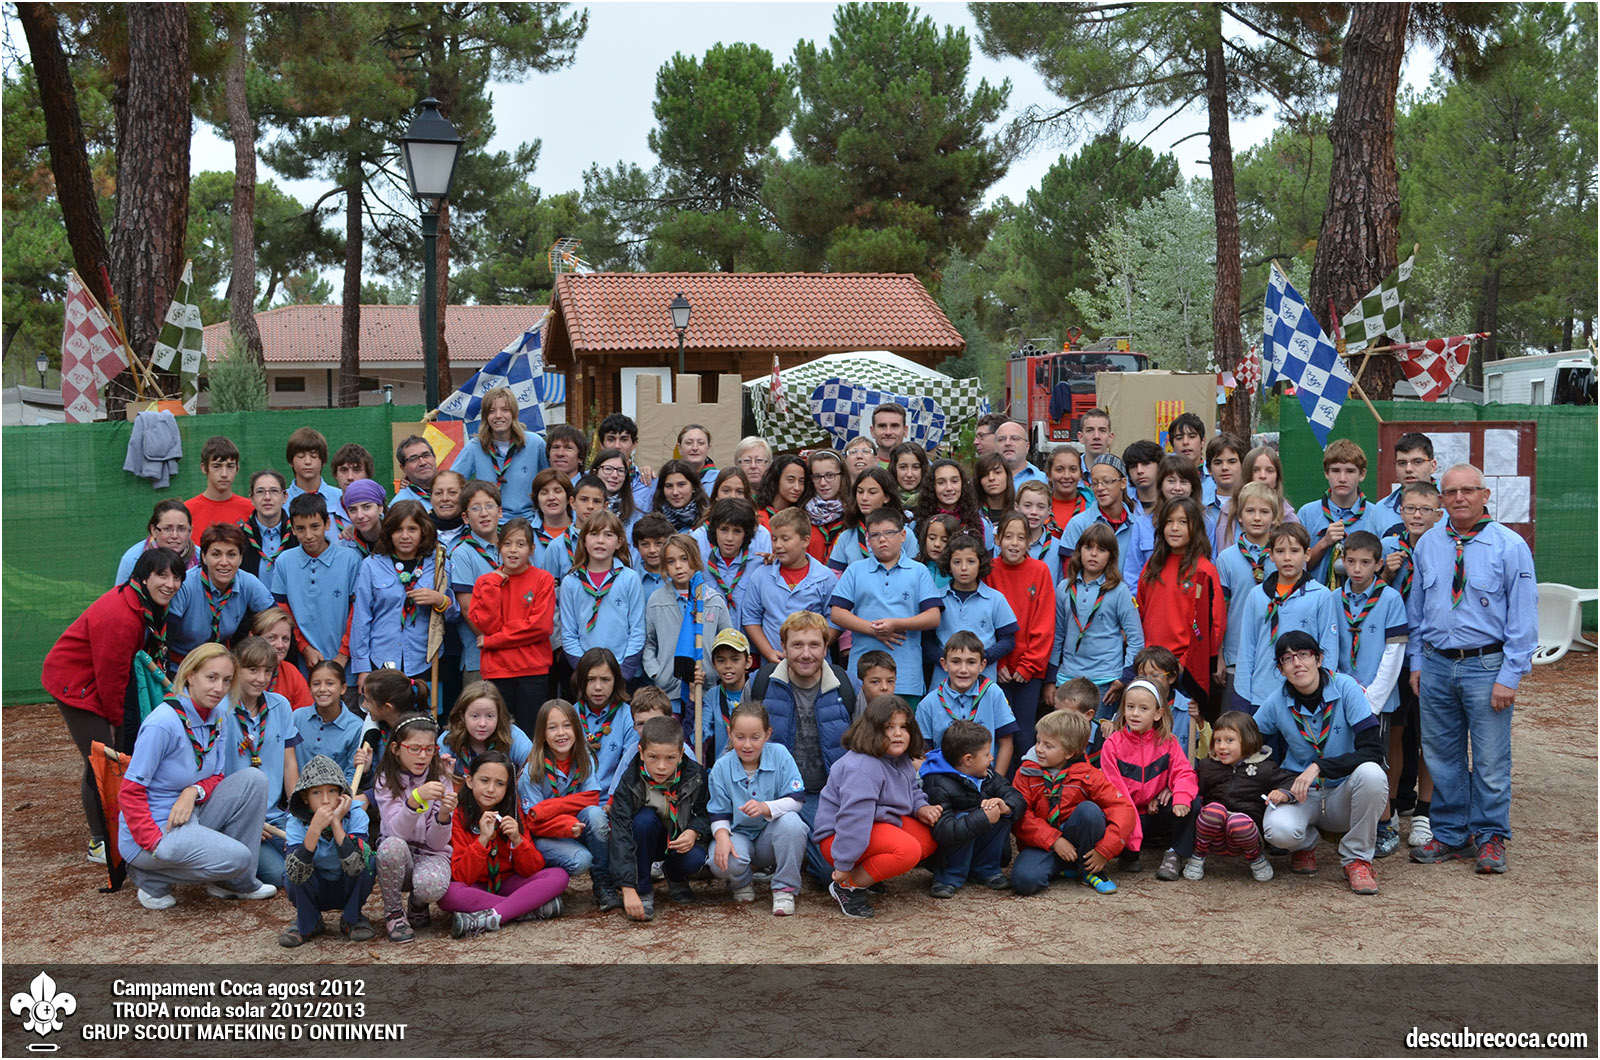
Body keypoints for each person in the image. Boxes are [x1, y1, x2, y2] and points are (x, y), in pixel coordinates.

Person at [1406, 464, 1536, 876]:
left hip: (1487, 665)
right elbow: (1417, 612)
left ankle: (1491, 835)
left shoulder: (1509, 546)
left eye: (1468, 490)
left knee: (1491, 759)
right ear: (1441, 499)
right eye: (1451, 492)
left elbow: (1523, 618)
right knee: (1442, 755)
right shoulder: (1428, 545)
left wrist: (1509, 676)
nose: (1459, 498)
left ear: (1485, 495)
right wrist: (1417, 662)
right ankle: (1450, 831)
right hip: (1438, 666)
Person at [44, 548, 185, 862]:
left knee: (118, 752)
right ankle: (100, 841)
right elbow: (111, 677)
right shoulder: (121, 615)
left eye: (176, 577)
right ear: (143, 577)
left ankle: (123, 825)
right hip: (76, 682)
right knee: (103, 759)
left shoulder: (145, 603)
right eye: (162, 575)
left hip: (97, 678)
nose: (170, 583)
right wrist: (114, 720)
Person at [117, 643, 274, 910]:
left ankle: (235, 883)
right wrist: (153, 843)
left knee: (254, 780)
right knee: (239, 858)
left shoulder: (219, 718)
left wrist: (192, 792)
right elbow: (130, 791)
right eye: (211, 678)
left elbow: (216, 776)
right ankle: (147, 873)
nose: (219, 688)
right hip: (153, 829)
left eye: (226, 681)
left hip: (191, 814)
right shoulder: (163, 723)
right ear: (190, 675)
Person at [1257, 631, 1389, 894]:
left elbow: (1374, 750)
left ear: (1319, 659)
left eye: (1304, 654)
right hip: (1300, 795)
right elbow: (1246, 739)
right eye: (1287, 658)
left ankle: (1357, 859)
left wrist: (1320, 766)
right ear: (1281, 669)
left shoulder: (1346, 687)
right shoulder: (1276, 702)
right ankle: (1305, 844)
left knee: (1372, 774)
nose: (1297, 663)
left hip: (1344, 794)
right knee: (1277, 830)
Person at [746, 611, 859, 882]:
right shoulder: (760, 684)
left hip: (825, 795)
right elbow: (739, 745)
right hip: (774, 794)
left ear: (825, 647)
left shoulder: (847, 686)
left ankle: (806, 850)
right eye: (797, 645)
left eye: (814, 645)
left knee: (827, 873)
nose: (806, 654)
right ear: (783, 647)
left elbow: (863, 750)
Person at [813, 695, 941, 919]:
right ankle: (848, 887)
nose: (898, 733)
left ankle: (867, 875)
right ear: (871, 731)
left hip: (875, 824)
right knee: (908, 850)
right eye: (888, 727)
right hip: (839, 837)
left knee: (926, 840)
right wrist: (843, 864)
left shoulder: (900, 759)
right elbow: (854, 821)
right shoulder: (861, 767)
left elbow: (911, 789)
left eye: (903, 727)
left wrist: (920, 807)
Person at [1335, 530, 1409, 857]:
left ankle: (1384, 823)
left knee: (1375, 762)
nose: (1357, 569)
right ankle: (1349, 823)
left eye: (1366, 562)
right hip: (1341, 697)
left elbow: (1394, 652)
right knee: (1346, 756)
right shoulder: (1333, 599)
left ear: (1379, 564)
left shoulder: (1390, 599)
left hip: (1376, 699)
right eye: (1351, 561)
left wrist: (1373, 699)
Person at [440, 750, 567, 937]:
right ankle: (524, 907)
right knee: (448, 895)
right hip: (478, 887)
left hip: (509, 881)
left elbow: (532, 869)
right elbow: (461, 876)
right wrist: (482, 840)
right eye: (484, 780)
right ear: (469, 781)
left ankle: (494, 915)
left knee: (558, 876)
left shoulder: (513, 813)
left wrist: (517, 839)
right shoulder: (459, 816)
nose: (491, 789)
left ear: (508, 788)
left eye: (500, 784)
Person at [1010, 710, 1135, 896]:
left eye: (1048, 746)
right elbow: (1022, 816)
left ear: (1069, 752)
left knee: (1090, 812)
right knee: (1023, 882)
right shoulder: (1026, 772)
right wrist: (1054, 840)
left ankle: (1089, 870)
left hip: (1080, 844)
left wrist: (1104, 850)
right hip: (1042, 844)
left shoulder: (1089, 774)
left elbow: (1124, 809)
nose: (1038, 749)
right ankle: (1063, 867)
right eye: (1038, 741)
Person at [707, 701, 810, 916]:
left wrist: (766, 807)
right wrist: (722, 837)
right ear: (729, 733)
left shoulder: (780, 755)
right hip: (739, 834)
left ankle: (784, 888)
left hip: (770, 835)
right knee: (721, 862)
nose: (747, 745)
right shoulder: (721, 767)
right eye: (740, 737)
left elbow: (796, 799)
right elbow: (718, 811)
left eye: (755, 737)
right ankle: (741, 883)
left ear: (767, 734)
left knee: (793, 824)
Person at [1382, 480, 1441, 849]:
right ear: (1400, 512)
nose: (1417, 515)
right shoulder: (1388, 546)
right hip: (1395, 654)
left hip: (1433, 653)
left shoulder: (1446, 548)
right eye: (1410, 509)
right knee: (1395, 733)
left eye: (1425, 510)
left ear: (1438, 514)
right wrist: (1387, 572)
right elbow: (1368, 595)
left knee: (1432, 736)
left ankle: (1425, 811)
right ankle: (1387, 812)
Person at [830, 508, 941, 703]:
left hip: (906, 677)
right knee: (862, 730)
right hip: (862, 676)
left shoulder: (918, 571)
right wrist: (872, 629)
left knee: (902, 730)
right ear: (868, 539)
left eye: (889, 533)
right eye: (875, 535)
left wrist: (897, 624)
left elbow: (933, 616)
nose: (882, 540)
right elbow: (837, 613)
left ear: (903, 535)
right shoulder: (856, 570)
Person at [609, 715, 712, 921]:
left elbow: (708, 812)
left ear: (681, 754)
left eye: (670, 758)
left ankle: (675, 876)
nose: (662, 767)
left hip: (679, 841)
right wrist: (628, 888)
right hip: (647, 842)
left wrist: (695, 831)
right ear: (641, 752)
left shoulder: (696, 776)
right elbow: (620, 832)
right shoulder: (630, 781)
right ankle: (644, 888)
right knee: (643, 820)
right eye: (653, 757)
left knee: (696, 858)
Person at [1233, 523, 1340, 711]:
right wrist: (1243, 695)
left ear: (1307, 554)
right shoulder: (1257, 595)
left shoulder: (1321, 595)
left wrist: (1323, 690)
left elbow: (1328, 647)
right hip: (1261, 695)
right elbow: (1246, 648)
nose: (1288, 558)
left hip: (1305, 694)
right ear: (1271, 555)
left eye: (1295, 551)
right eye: (1280, 551)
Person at [221, 635, 301, 887]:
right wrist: (249, 819)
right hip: (236, 818)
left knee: (311, 859)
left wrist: (299, 813)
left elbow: (289, 764)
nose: (261, 678)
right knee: (282, 875)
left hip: (276, 816)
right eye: (252, 670)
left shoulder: (281, 706)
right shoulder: (221, 710)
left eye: (267, 671)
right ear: (236, 668)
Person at [1099, 678, 1197, 881]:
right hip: (1127, 813)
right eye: (1130, 707)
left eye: (1143, 708)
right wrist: (1132, 831)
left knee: (1192, 802)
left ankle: (1176, 854)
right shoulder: (1112, 744)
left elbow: (1184, 773)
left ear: (1158, 714)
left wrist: (1177, 795)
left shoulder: (1168, 742)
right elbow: (1115, 790)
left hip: (1156, 811)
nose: (1135, 713)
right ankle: (1129, 852)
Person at [349, 500, 455, 687]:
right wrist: (363, 667)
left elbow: (455, 614)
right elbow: (361, 619)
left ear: (424, 530)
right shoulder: (372, 565)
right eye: (398, 530)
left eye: (412, 529)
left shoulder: (438, 564)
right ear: (389, 533)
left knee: (422, 715)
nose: (405, 536)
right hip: (382, 659)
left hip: (426, 659)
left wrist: (440, 600)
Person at [1181, 710, 1296, 882]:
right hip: (1214, 835)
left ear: (1248, 740)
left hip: (1246, 835)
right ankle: (1198, 856)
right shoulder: (1208, 766)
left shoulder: (1264, 768)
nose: (1221, 746)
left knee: (1238, 821)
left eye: (1229, 740)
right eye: (1217, 740)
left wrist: (1283, 793)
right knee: (1213, 810)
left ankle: (1256, 859)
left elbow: (1292, 782)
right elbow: (1193, 789)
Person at [918, 719, 1025, 897]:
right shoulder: (937, 782)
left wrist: (1006, 807)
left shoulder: (987, 774)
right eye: (986, 754)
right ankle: (947, 877)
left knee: (1001, 814)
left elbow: (1015, 796)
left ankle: (986, 870)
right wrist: (982, 818)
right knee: (962, 819)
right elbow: (943, 831)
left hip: (978, 841)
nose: (992, 758)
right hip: (946, 854)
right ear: (968, 759)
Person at [373, 709, 454, 943]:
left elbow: (437, 843)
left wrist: (445, 815)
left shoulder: (441, 778)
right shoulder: (385, 779)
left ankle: (418, 903)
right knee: (391, 847)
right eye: (415, 749)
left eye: (429, 749)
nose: (422, 756)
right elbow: (394, 832)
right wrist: (415, 799)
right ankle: (393, 912)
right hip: (400, 856)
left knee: (431, 885)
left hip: (430, 854)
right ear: (396, 749)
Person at [468, 518, 556, 731]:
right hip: (497, 671)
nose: (513, 550)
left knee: (531, 733)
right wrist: (494, 585)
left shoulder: (543, 579)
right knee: (497, 733)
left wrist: (493, 641)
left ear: (532, 549)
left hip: (532, 670)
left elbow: (540, 626)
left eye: (520, 544)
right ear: (498, 546)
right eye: (507, 544)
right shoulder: (485, 582)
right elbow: (486, 625)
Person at [1137, 496, 1225, 707]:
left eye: (1183, 522)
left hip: (1184, 671)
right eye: (1169, 521)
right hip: (1149, 666)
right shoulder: (1153, 565)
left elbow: (1214, 625)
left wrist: (1184, 663)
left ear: (1196, 527)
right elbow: (1139, 609)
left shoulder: (1204, 570)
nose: (1174, 528)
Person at [279, 754, 375, 947]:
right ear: (305, 797)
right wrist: (314, 829)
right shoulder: (295, 822)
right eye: (316, 793)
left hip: (346, 884)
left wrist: (336, 823)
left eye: (332, 791)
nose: (325, 800)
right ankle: (309, 922)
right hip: (316, 886)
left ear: (341, 793)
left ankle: (352, 918)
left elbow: (356, 866)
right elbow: (296, 874)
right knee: (291, 868)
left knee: (369, 861)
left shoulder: (356, 814)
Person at [1045, 524, 1142, 708]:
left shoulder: (1120, 591)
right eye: (1088, 547)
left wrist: (1123, 678)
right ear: (1079, 551)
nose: (1094, 554)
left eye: (1101, 549)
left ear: (1111, 556)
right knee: (1065, 734)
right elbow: (1056, 636)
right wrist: (1050, 679)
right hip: (1068, 678)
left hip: (1105, 681)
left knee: (1096, 735)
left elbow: (1136, 639)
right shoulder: (1064, 588)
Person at [521, 697, 609, 896]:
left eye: (567, 726)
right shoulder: (532, 771)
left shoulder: (584, 757)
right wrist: (565, 825)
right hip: (545, 836)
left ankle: (603, 882)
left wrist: (548, 808)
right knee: (581, 860)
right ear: (542, 734)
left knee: (596, 815)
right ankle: (545, 878)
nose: (561, 733)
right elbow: (533, 823)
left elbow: (592, 798)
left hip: (576, 825)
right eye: (552, 728)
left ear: (577, 730)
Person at [986, 512, 1056, 762]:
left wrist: (1029, 665)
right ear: (997, 539)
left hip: (1030, 670)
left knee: (1025, 733)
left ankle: (1027, 788)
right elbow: (987, 620)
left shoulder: (1040, 570)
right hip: (999, 666)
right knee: (999, 732)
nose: (1014, 543)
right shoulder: (990, 571)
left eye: (1020, 538)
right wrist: (1000, 662)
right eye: (1008, 537)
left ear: (1029, 542)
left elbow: (1045, 623)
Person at [642, 536, 731, 717]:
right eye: (671, 561)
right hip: (668, 691)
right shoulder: (656, 601)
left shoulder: (713, 600)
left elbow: (726, 641)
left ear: (695, 559)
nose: (678, 566)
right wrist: (656, 673)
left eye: (684, 558)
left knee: (700, 738)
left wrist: (714, 672)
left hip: (704, 689)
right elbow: (648, 642)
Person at [272, 494, 361, 672]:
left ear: (327, 524)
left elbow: (358, 612)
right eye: (301, 529)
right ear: (293, 529)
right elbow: (282, 612)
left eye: (315, 527)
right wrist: (304, 648)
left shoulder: (351, 559)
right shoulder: (284, 561)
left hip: (346, 667)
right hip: (304, 667)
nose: (309, 535)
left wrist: (343, 655)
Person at [165, 523, 275, 663]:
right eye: (216, 554)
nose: (224, 562)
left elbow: (276, 620)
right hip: (179, 665)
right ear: (204, 557)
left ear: (240, 558)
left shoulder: (248, 582)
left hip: (221, 665)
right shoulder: (185, 586)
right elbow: (164, 639)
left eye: (231, 555)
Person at [558, 511, 646, 681]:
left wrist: (623, 671)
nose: (600, 540)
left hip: (622, 670)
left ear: (619, 541)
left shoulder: (630, 578)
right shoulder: (571, 582)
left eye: (608, 535)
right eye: (593, 534)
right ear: (583, 540)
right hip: (586, 673)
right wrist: (584, 671)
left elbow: (637, 630)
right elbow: (568, 633)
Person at [743, 507, 836, 665]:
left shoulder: (825, 578)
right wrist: (768, 652)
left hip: (814, 664)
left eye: (785, 539)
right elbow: (751, 618)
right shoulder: (760, 576)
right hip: (774, 663)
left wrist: (817, 649)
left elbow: (834, 621)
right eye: (774, 539)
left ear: (805, 540)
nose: (778, 545)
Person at [1214, 482, 1279, 703]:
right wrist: (1220, 656)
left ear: (1275, 517)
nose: (1257, 518)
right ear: (1240, 517)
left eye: (1264, 512)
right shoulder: (1226, 559)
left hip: (1274, 655)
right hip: (1236, 656)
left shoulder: (1283, 558)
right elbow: (1220, 611)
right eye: (1250, 511)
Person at [918, 631, 1017, 773]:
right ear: (944, 664)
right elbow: (924, 751)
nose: (963, 670)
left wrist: (996, 782)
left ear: (982, 665)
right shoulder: (929, 703)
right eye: (956, 662)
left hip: (986, 780)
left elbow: (1006, 742)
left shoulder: (993, 693)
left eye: (971, 662)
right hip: (945, 783)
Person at [1298, 439, 1388, 588]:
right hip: (1316, 602)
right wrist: (1324, 543)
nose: (1342, 478)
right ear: (1326, 473)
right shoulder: (1307, 514)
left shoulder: (1376, 514)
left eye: (1350, 471)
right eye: (1335, 470)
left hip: (1360, 604)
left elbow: (1379, 566)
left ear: (1362, 474)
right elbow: (1297, 566)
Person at [449, 387, 549, 520]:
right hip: (488, 522)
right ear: (485, 417)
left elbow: (551, 480)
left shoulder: (535, 443)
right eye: (491, 411)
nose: (498, 416)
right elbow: (452, 482)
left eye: (505, 410)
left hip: (528, 522)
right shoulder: (475, 447)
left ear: (514, 414)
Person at [931, 533, 1016, 687]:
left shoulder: (995, 599)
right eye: (957, 562)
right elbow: (926, 640)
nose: (964, 568)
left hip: (983, 682)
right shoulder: (937, 598)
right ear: (948, 565)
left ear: (980, 564)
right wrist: (946, 660)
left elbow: (1008, 640)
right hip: (943, 682)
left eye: (970, 562)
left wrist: (983, 658)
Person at [1057, 454, 1147, 587]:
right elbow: (1070, 575)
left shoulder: (1138, 525)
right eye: (1095, 483)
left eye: (1107, 481)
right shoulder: (1079, 524)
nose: (1100, 488)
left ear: (1123, 483)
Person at [439, 680, 534, 796]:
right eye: (475, 716)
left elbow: (535, 766)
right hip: (460, 803)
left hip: (502, 803)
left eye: (490, 716)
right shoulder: (448, 740)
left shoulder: (513, 736)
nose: (482, 723)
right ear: (462, 716)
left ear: (499, 715)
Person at [450, 481, 503, 689]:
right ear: (465, 517)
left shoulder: (512, 547)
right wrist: (497, 642)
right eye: (475, 508)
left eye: (489, 506)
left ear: (500, 511)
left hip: (516, 653)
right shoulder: (462, 553)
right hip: (481, 655)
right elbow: (467, 609)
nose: (483, 513)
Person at [828, 467, 912, 572]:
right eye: (860, 492)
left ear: (886, 497)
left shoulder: (904, 534)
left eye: (872, 492)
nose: (864, 498)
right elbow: (835, 573)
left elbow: (914, 572)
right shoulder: (846, 536)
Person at [294, 661, 362, 781]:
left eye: (330, 683)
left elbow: (353, 771)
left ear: (343, 688)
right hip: (298, 794)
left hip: (337, 795)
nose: (322, 689)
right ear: (309, 689)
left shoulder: (356, 727)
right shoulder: (297, 717)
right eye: (316, 684)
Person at [702, 498, 761, 629]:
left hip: (747, 644)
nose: (729, 538)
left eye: (737, 531)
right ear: (714, 530)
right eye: (724, 529)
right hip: (711, 643)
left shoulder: (760, 564)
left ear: (746, 534)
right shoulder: (700, 564)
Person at [186, 436, 255, 542]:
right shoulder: (187, 511)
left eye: (230, 466)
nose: (224, 474)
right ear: (204, 468)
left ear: (237, 468)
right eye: (217, 466)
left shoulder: (251, 509)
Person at [115, 500, 198, 584]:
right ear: (153, 530)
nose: (174, 536)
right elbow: (120, 596)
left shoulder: (202, 558)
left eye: (182, 529)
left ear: (190, 531)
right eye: (167, 529)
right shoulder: (132, 560)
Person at [913, 458, 988, 549]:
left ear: (962, 484)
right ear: (932, 486)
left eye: (954, 481)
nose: (949, 488)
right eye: (941, 482)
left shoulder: (979, 523)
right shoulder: (918, 522)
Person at [1376, 431, 1438, 535]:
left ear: (1433, 466)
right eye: (1402, 463)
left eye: (1417, 462)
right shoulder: (1380, 510)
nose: (1408, 469)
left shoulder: (1451, 504)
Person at [249, 607, 311, 709]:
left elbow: (305, 717)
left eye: (285, 639)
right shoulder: (237, 671)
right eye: (272, 638)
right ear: (253, 637)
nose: (280, 645)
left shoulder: (291, 672)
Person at [284, 427, 348, 526]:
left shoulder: (341, 497)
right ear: (291, 461)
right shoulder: (281, 502)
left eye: (314, 456)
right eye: (301, 456)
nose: (308, 462)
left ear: (323, 461)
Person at [238, 469, 293, 580]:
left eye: (274, 491)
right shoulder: (239, 537)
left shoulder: (297, 534)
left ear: (285, 497)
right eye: (260, 491)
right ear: (252, 498)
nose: (267, 497)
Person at [597, 412, 658, 512]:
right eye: (611, 439)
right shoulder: (586, 480)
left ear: (634, 444)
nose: (617, 446)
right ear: (601, 444)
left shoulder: (649, 483)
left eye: (624, 439)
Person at [590, 446, 643, 544]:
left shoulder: (635, 515)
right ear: (595, 472)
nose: (614, 475)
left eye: (620, 471)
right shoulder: (582, 508)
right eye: (608, 469)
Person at [1015, 480, 1064, 582]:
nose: (1034, 512)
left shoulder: (1057, 548)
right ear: (1016, 507)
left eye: (1041, 507)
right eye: (1027, 506)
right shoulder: (1006, 544)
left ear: (1049, 511)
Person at [805, 449, 849, 562]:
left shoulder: (854, 512)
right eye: (817, 477)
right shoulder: (802, 514)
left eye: (830, 475)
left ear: (842, 476)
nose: (823, 483)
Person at [652, 458, 711, 534]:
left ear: (693, 486)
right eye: (669, 486)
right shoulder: (653, 523)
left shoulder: (709, 521)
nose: (675, 492)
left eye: (681, 485)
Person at [1244, 444, 1299, 524]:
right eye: (1256, 470)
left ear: (1277, 476)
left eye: (1269, 471)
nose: (1262, 476)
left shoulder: (1290, 519)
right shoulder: (1230, 513)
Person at [1166, 413, 1214, 504]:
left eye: (1192, 437)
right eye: (1179, 438)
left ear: (1203, 442)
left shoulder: (1214, 477)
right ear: (1172, 445)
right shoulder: (1164, 477)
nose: (1185, 442)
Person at [339, 478, 386, 559]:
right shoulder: (343, 548)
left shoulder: (398, 539)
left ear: (380, 508)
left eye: (366, 507)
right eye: (353, 510)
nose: (360, 516)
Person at [631, 513, 674, 600]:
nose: (652, 550)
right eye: (645, 544)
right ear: (637, 546)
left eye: (658, 543)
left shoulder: (679, 577)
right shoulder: (631, 580)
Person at [1046, 445, 1090, 530]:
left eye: (1073, 469)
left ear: (1080, 474)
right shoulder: (1038, 506)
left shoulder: (1092, 505)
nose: (1066, 476)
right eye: (1059, 470)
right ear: (1049, 475)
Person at [995, 418, 1044, 487]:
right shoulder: (985, 478)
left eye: (1015, 438)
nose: (1007, 443)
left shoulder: (1042, 479)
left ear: (1027, 446)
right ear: (995, 446)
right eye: (1001, 439)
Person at [393, 436, 439, 510]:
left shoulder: (454, 490)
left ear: (434, 458)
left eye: (426, 455)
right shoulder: (399, 505)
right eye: (413, 459)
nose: (422, 462)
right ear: (403, 468)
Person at [429, 469, 468, 554]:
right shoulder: (421, 532)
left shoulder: (476, 532)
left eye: (452, 492)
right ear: (431, 499)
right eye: (438, 493)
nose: (445, 498)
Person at [917, 514, 960, 592]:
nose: (937, 544)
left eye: (945, 540)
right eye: (932, 538)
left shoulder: (957, 573)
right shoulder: (913, 569)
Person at [676, 423, 721, 495]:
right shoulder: (669, 479)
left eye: (701, 443)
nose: (695, 448)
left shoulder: (721, 479)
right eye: (689, 443)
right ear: (680, 448)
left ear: (708, 448)